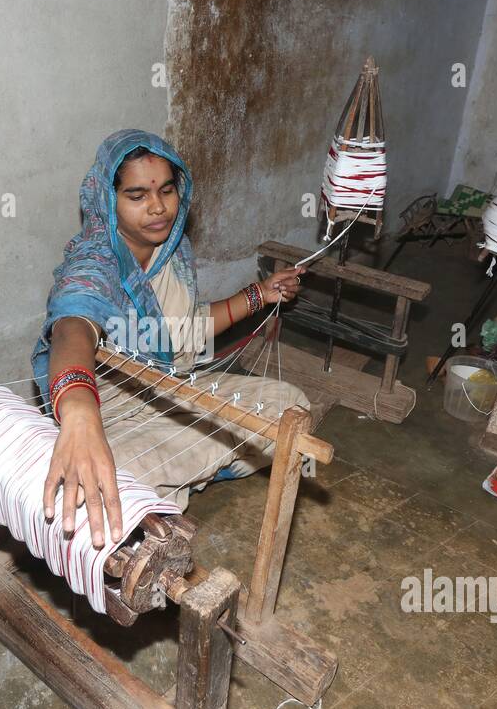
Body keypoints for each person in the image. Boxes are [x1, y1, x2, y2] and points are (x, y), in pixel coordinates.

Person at [31, 129, 310, 550]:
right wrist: (80, 416)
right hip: (108, 406)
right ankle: (150, 471)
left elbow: (184, 330)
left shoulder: (173, 252)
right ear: (109, 200)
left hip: (170, 386)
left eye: (166, 190)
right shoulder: (95, 260)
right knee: (108, 482)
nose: (158, 207)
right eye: (137, 195)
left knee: (291, 408)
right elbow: (73, 323)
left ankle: (169, 478)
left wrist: (260, 295)